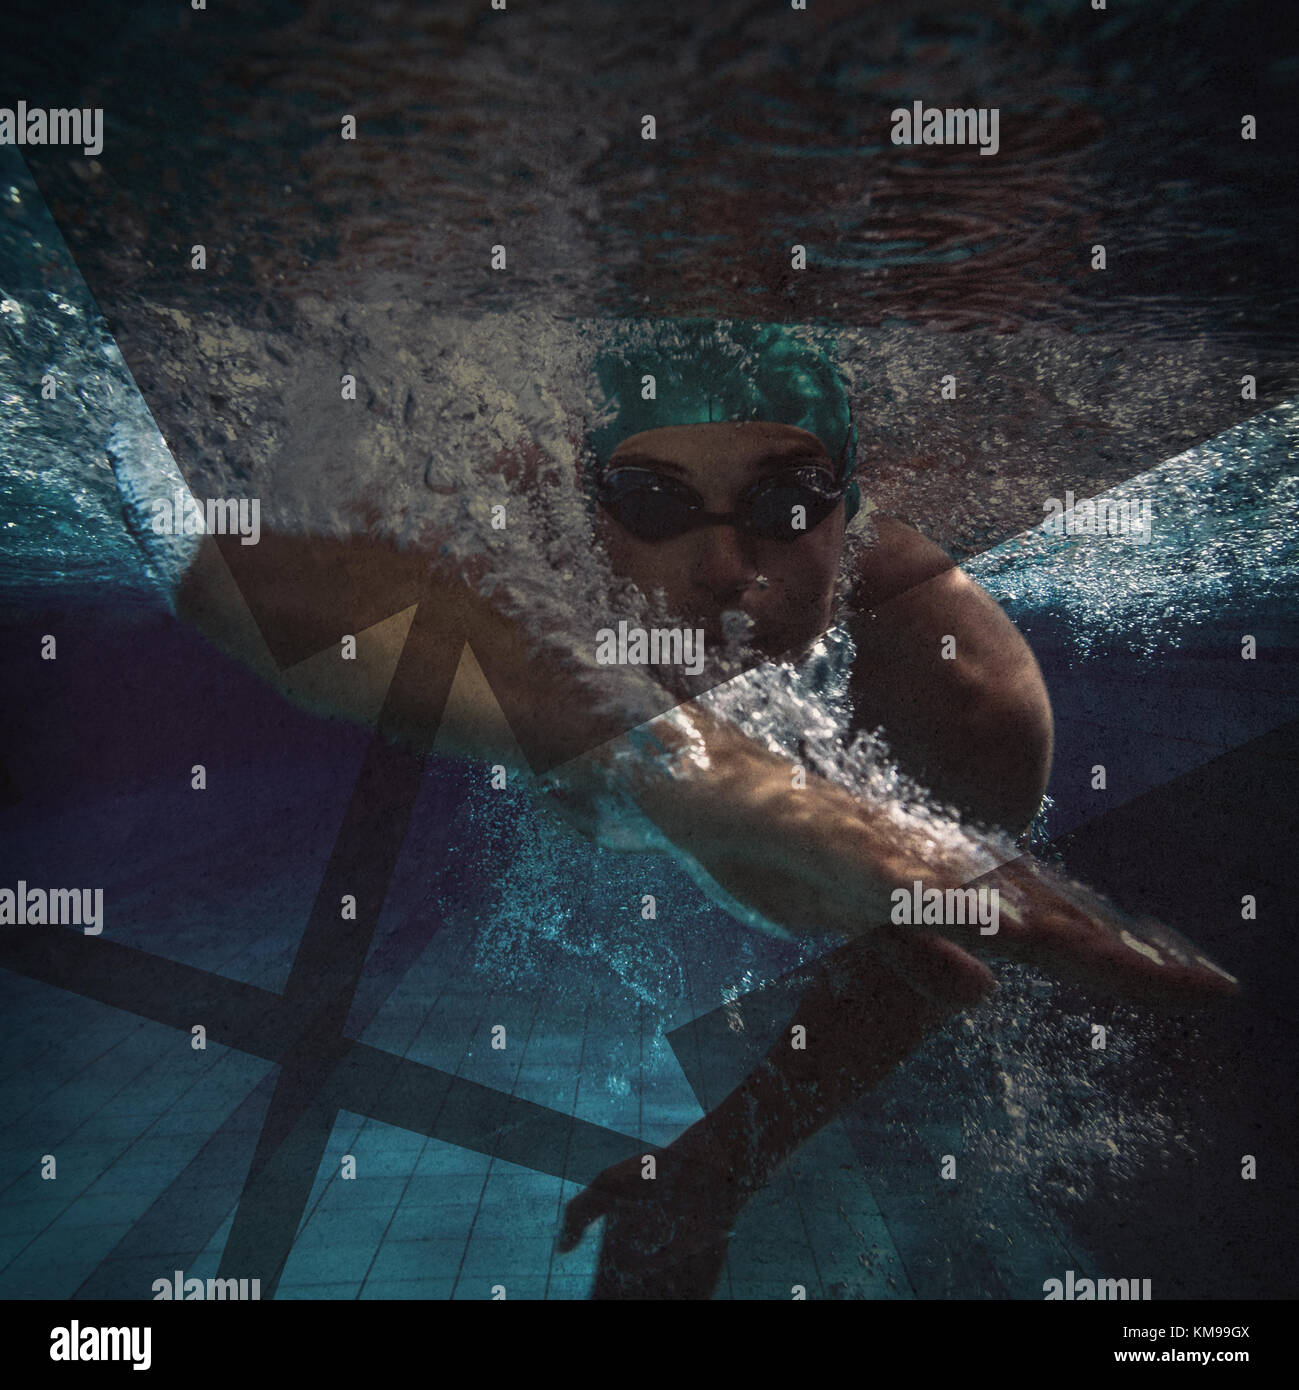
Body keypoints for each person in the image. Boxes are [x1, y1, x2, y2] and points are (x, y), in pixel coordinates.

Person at [167, 317, 1237, 1299]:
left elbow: (920, 965)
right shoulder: (528, 532)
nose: (725, 567)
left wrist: (715, 1168)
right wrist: (673, 760)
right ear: (591, 512)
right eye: (653, 502)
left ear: (850, 512)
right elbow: (227, 579)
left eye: (786, 505)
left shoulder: (964, 693)